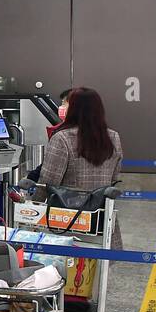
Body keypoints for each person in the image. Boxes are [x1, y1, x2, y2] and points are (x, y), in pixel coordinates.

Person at [40, 87, 122, 246]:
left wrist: (31, 205)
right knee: (97, 266)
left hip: (67, 217)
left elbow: (48, 181)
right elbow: (115, 177)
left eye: (67, 104)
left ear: (74, 109)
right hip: (101, 217)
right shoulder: (113, 136)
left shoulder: (62, 138)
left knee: (71, 266)